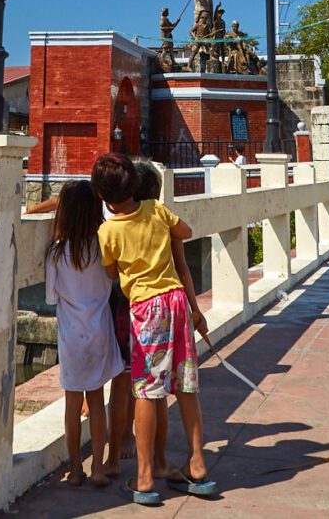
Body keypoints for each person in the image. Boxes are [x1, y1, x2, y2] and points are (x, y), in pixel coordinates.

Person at [93, 153, 216, 505]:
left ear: (102, 196)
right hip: (177, 301)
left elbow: (111, 272)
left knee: (147, 390)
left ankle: (145, 477)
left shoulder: (108, 231)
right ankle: (197, 463)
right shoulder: (157, 212)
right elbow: (186, 232)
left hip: (147, 310)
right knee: (186, 385)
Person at [44, 179, 121, 487]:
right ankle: (98, 467)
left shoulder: (57, 253)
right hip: (101, 331)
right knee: (97, 401)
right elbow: (111, 281)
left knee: (72, 405)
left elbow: (51, 297)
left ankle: (76, 468)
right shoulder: (102, 247)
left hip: (72, 337)